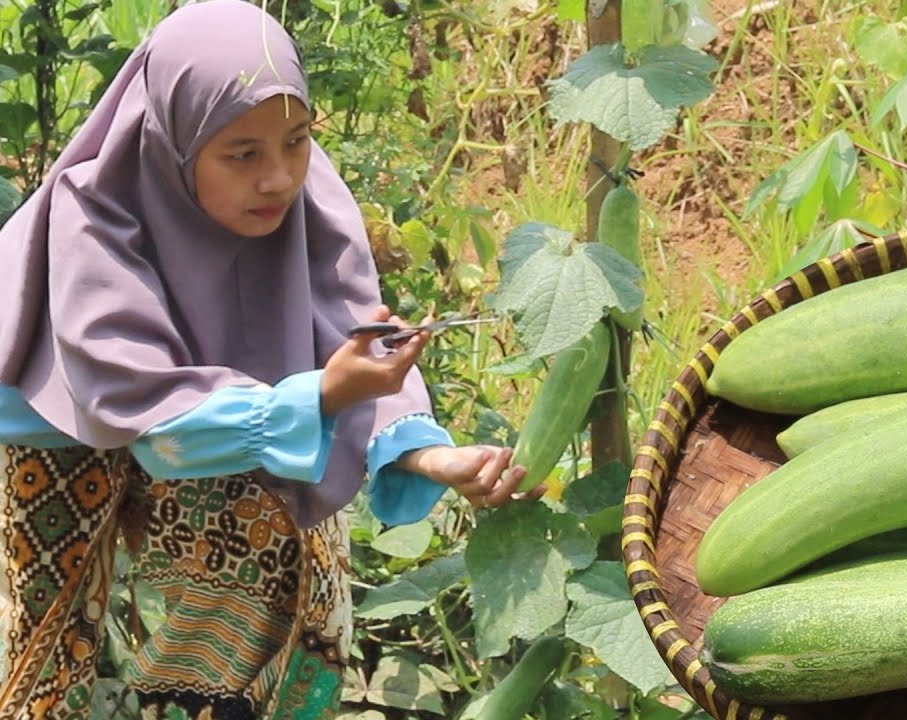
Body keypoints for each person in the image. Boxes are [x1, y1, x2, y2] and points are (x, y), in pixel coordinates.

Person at [0, 1, 532, 718]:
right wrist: (316, 399)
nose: (279, 176)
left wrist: (422, 452)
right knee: (50, 658)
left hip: (243, 418)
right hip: (60, 429)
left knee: (293, 601)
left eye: (298, 139)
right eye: (242, 153)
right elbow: (150, 421)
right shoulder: (92, 212)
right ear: (173, 143)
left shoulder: (303, 191)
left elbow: (350, 337)